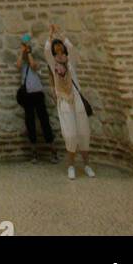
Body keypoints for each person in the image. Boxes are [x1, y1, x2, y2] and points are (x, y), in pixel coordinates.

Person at [44, 23, 94, 179]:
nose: (59, 51)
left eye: (61, 48)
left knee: (83, 132)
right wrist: (50, 35)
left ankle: (87, 165)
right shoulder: (53, 65)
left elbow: (71, 47)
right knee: (71, 135)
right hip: (64, 101)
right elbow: (46, 50)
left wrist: (60, 34)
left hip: (76, 98)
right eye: (56, 49)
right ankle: (71, 166)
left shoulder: (70, 62)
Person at [16, 33, 58, 162]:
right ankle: (34, 152)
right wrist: (21, 52)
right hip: (27, 95)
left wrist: (29, 53)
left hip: (37, 94)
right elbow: (18, 65)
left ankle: (53, 151)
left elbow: (34, 66)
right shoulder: (23, 65)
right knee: (30, 123)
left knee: (44, 121)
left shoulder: (35, 61)